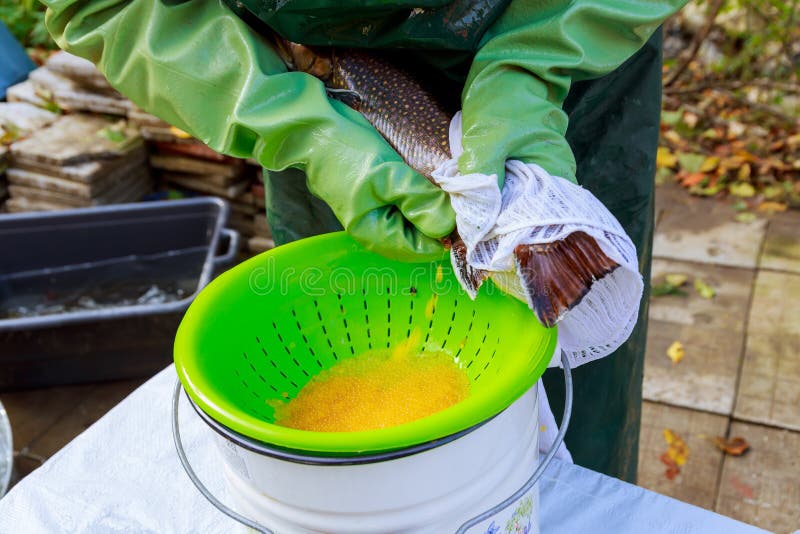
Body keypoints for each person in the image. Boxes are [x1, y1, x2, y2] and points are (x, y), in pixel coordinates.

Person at [41, 0, 686, 482]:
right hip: (312, 85)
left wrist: (534, 64)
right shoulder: (304, 107)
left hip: (570, 53)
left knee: (578, 447)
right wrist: (302, 128)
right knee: (354, 438)